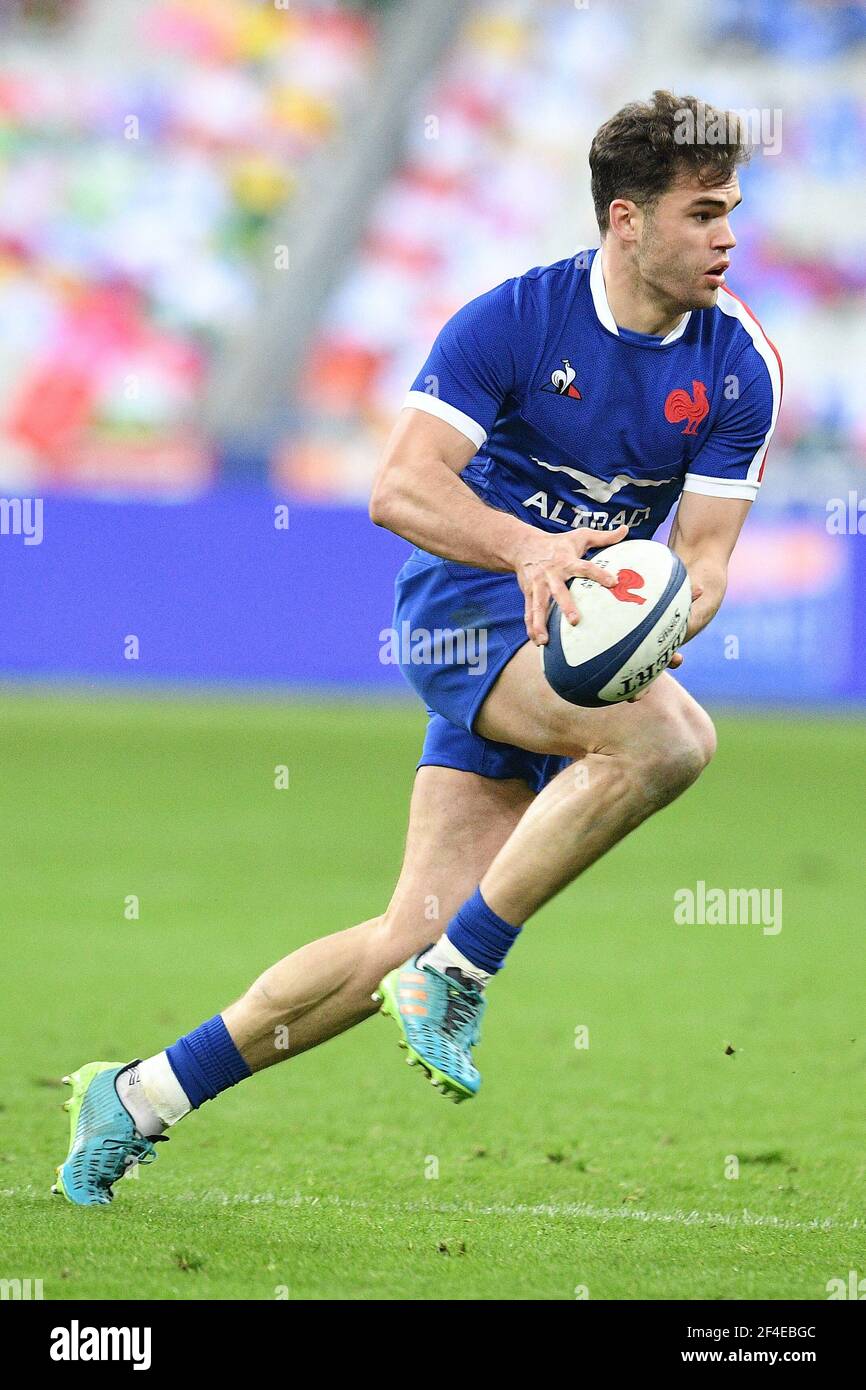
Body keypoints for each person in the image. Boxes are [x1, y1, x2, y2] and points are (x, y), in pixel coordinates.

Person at [53, 90, 781, 1205]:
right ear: (625, 221)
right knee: (671, 743)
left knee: (401, 933)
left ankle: (143, 1092)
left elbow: (709, 555)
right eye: (700, 212)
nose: (726, 234)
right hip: (463, 615)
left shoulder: (738, 365)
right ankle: (464, 972)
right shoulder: (514, 321)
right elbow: (399, 486)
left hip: (572, 648)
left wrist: (667, 619)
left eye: (730, 209)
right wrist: (532, 551)